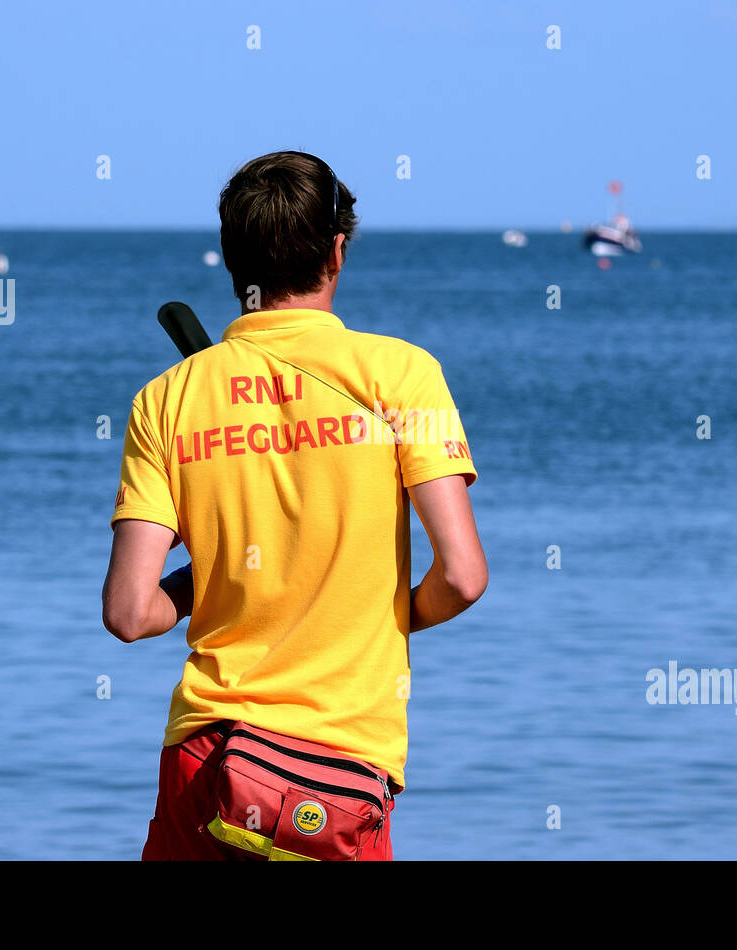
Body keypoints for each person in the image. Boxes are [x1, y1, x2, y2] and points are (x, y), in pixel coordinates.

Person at [101, 150, 486, 861]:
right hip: (333, 774)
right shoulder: (406, 376)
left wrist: (199, 582)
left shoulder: (167, 400)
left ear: (230, 260)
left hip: (204, 764)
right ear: (337, 251)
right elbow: (461, 576)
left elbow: (130, 614)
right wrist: (382, 614)